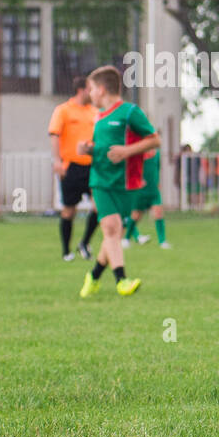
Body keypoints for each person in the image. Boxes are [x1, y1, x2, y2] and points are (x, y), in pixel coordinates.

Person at [77, 67, 160, 297]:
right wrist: (87, 149)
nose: (90, 94)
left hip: (125, 184)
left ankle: (93, 276)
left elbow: (155, 141)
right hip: (100, 181)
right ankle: (122, 281)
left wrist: (127, 151)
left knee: (111, 235)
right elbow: (101, 148)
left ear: (102, 89)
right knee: (112, 228)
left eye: (91, 89)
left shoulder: (130, 112)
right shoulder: (99, 118)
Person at [47, 75, 100, 261]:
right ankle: (66, 251)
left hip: (92, 166)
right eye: (90, 88)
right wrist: (57, 161)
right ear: (81, 90)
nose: (92, 92)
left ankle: (84, 242)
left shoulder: (95, 112)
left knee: (99, 205)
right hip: (71, 167)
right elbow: (54, 134)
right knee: (69, 210)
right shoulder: (63, 110)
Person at [125, 147, 170, 249]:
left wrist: (157, 182)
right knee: (136, 216)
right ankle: (126, 238)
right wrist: (137, 181)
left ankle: (162, 241)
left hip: (153, 189)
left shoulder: (157, 154)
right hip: (140, 190)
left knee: (158, 212)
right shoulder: (137, 153)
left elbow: (157, 169)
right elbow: (131, 169)